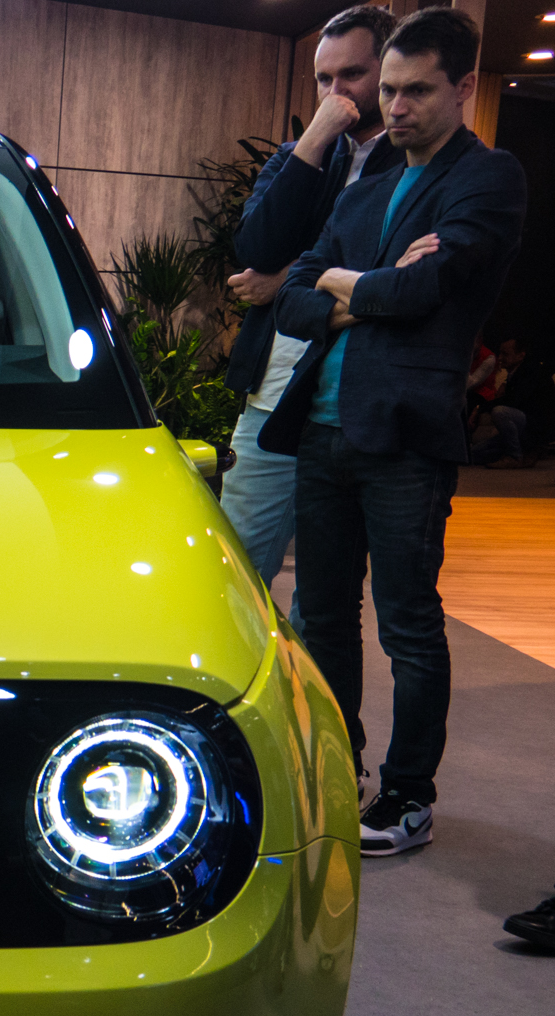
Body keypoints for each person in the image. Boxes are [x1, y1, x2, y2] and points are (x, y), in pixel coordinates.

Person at [266, 7, 528, 857]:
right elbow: (292, 298)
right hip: (322, 428)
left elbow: (424, 291)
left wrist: (341, 285)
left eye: (417, 90)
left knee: (408, 626)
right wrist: (362, 286)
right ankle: (338, 769)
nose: (397, 106)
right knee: (323, 618)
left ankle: (409, 796)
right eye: (389, 90)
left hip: (407, 438)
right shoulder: (369, 185)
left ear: (463, 87)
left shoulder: (487, 178)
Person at [221, 5, 403, 629]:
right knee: (236, 573)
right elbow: (254, 246)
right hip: (272, 393)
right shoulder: (299, 155)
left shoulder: (415, 163)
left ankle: (308, 692)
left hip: (350, 401)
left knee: (325, 599)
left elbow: (390, 271)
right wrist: (315, 141)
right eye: (324, 78)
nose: (335, 92)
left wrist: (286, 280)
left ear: (387, 70)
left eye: (351, 75)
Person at [471, 337, 545, 467]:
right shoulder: (514, 374)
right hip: (521, 429)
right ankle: (521, 452)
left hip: (533, 428)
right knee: (473, 454)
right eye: (500, 353)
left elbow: (512, 401)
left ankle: (514, 456)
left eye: (505, 354)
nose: (499, 358)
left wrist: (479, 409)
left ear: (520, 356)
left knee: (500, 412)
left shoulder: (531, 372)